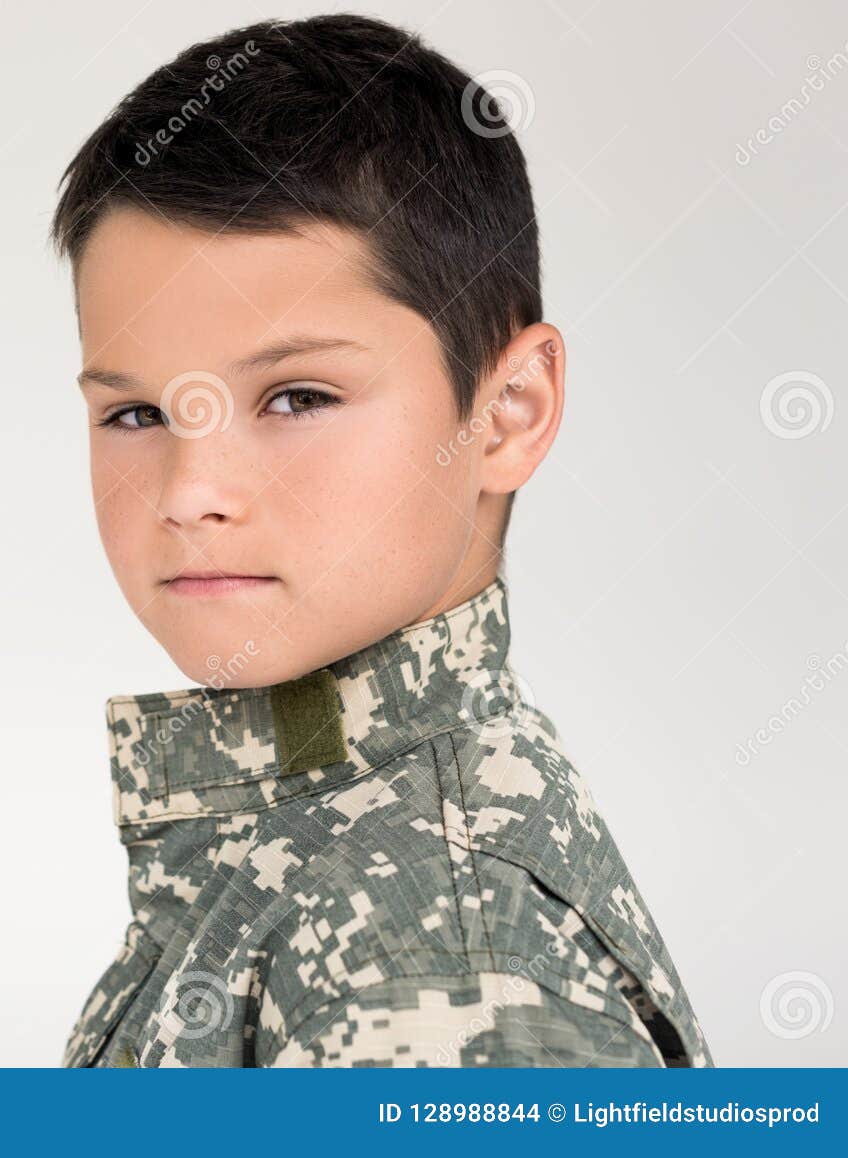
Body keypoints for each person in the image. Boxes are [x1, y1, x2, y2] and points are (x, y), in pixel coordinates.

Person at [51, 12, 711, 1067]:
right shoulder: (319, 845)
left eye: (297, 397)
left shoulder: (440, 972)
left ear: (510, 411)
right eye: (135, 413)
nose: (191, 492)